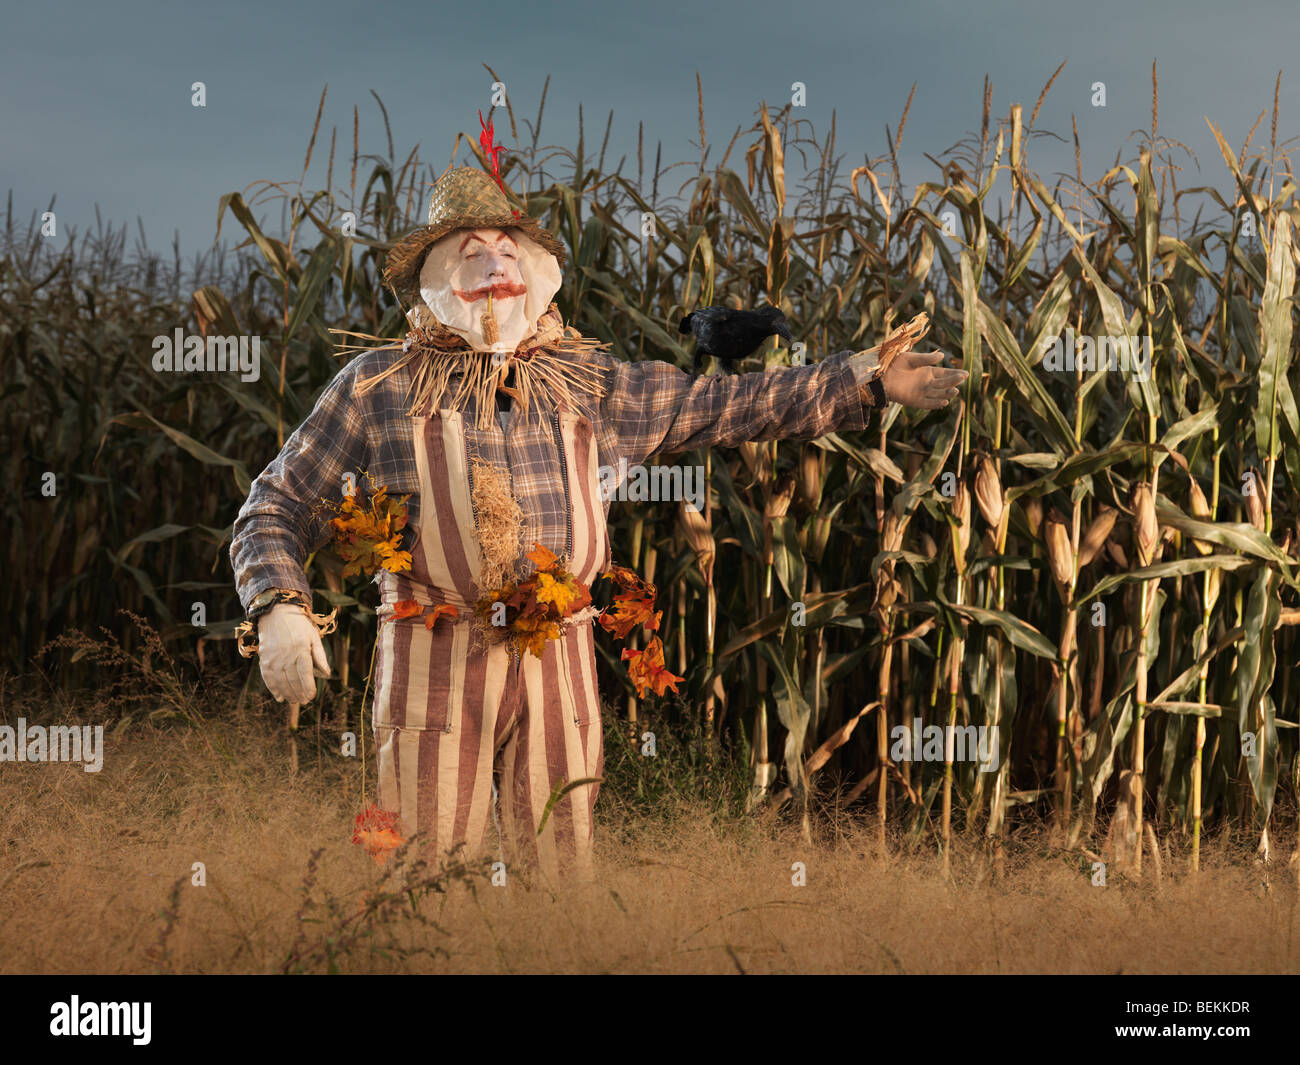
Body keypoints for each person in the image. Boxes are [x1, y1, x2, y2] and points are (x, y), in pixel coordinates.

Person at [229, 165, 967, 882]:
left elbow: (731, 405)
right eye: (471, 253)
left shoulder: (592, 382)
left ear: (538, 269)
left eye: (508, 251)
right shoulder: (377, 385)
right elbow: (276, 505)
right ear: (435, 275)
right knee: (421, 875)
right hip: (434, 655)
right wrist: (279, 607)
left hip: (562, 653)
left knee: (560, 870)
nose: (495, 267)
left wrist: (864, 376)